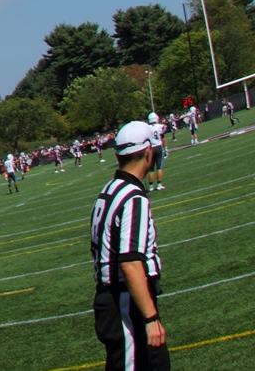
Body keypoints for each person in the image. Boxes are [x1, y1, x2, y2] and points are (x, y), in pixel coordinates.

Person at [91, 120, 168, 370]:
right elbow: (131, 262)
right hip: (125, 303)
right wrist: (150, 317)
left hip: (114, 299)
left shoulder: (109, 190)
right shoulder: (133, 198)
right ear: (148, 153)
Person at [145, 113, 167, 192]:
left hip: (150, 149)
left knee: (151, 169)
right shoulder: (160, 126)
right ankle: (159, 185)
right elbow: (163, 136)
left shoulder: (146, 128)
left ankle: (151, 187)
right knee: (159, 167)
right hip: (158, 147)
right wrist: (165, 149)